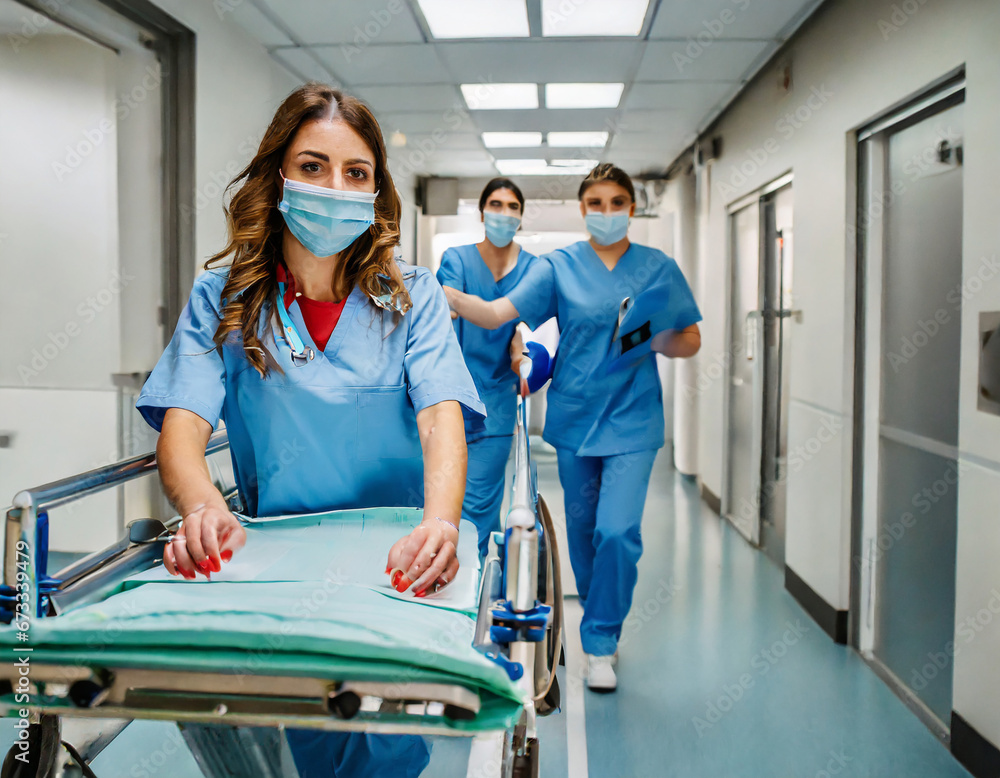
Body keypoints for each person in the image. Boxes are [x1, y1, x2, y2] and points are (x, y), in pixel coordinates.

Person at [136, 83, 485, 778]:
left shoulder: (410, 296)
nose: (334, 188)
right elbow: (183, 428)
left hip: (395, 561)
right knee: (313, 736)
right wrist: (201, 508)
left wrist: (441, 524)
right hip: (278, 563)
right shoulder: (225, 299)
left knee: (388, 744)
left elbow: (440, 414)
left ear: (376, 189)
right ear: (278, 176)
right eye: (313, 166)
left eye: (356, 172)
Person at [443, 163, 702, 692]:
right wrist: (442, 296)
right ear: (583, 209)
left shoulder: (657, 267)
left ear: (631, 207)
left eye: (617, 202)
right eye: (596, 203)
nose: (607, 212)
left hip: (633, 420)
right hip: (576, 418)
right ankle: (597, 616)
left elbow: (690, 339)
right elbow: (495, 314)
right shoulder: (558, 267)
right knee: (583, 536)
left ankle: (601, 640)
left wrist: (648, 336)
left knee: (617, 532)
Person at [435, 178, 537, 557]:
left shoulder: (533, 268)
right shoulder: (458, 259)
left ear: (521, 217)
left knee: (475, 511)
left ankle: (472, 586)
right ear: (481, 213)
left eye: (512, 206)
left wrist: (521, 345)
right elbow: (443, 312)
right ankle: (474, 576)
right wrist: (450, 302)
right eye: (495, 204)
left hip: (496, 404)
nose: (503, 213)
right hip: (450, 401)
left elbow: (530, 327)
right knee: (446, 506)